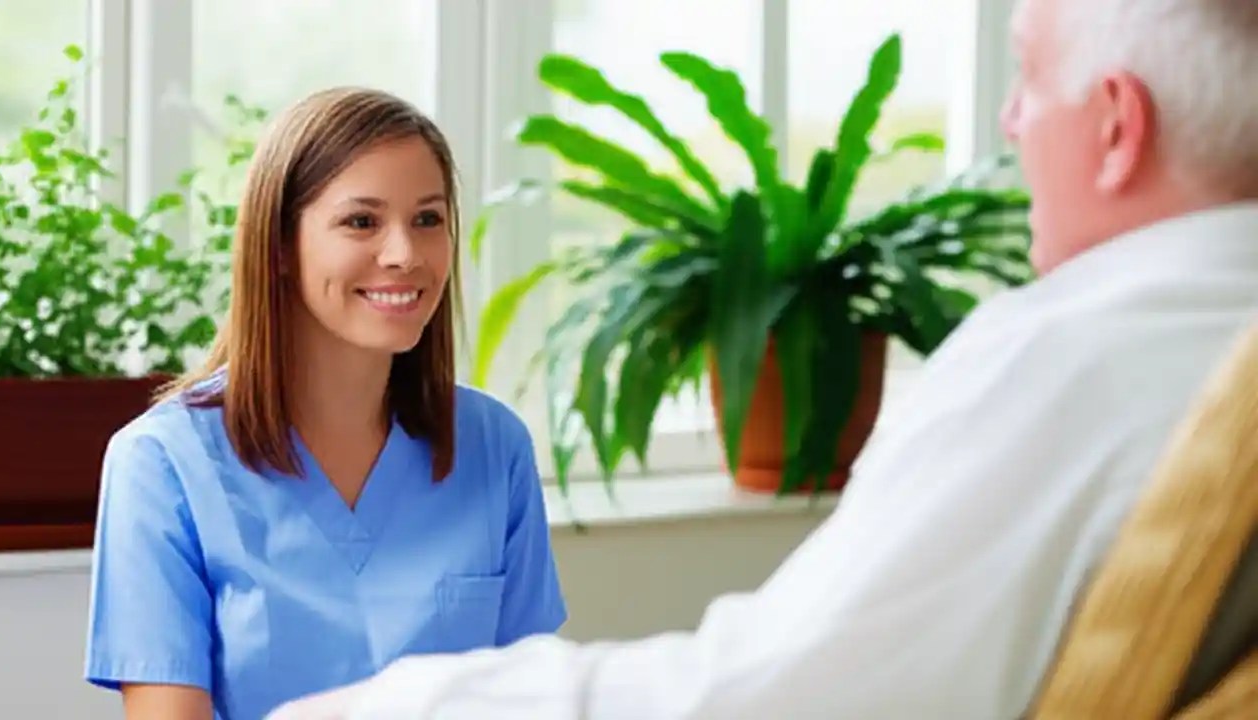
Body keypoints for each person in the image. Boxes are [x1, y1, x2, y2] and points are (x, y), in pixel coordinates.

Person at [264, 0, 1258, 718]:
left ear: (1117, 126)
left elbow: (783, 695)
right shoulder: (1207, 343)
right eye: (359, 220)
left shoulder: (1073, 358)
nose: (1006, 123)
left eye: (1029, 78)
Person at [83, 87, 567, 720]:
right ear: (280, 246)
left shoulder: (494, 446)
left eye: (428, 219)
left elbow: (532, 697)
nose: (405, 255)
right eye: (361, 221)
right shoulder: (160, 464)